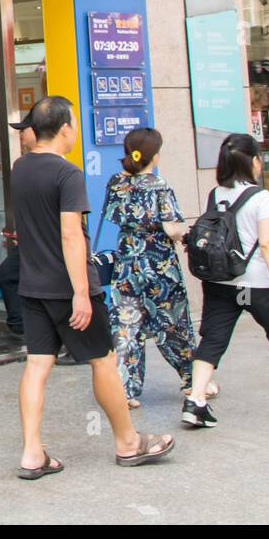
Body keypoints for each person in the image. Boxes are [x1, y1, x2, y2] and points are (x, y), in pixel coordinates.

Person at [11, 96, 174, 479]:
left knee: (37, 366)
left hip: (32, 285)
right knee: (103, 360)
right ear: (65, 127)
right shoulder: (67, 174)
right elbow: (71, 235)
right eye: (74, 122)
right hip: (67, 287)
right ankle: (129, 443)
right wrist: (81, 292)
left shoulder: (21, 168)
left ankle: (32, 453)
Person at [183, 132, 269, 428]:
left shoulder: (215, 194)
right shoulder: (262, 198)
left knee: (213, 339)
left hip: (220, 282)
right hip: (256, 285)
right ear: (255, 162)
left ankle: (195, 401)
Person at [100, 128, 200, 408]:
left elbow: (112, 216)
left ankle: (125, 390)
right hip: (158, 266)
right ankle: (191, 379)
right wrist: (184, 234)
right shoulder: (159, 185)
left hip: (127, 264)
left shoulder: (116, 182)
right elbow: (171, 227)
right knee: (172, 323)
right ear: (154, 155)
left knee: (126, 327)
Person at [0, 108, 38, 339]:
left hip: (47, 241)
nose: (20, 135)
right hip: (30, 238)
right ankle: (20, 327)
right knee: (8, 273)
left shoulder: (57, 166)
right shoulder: (22, 164)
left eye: (24, 130)